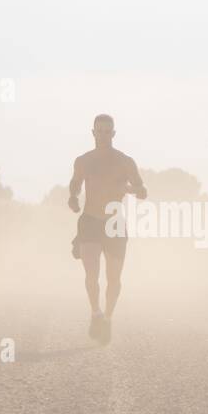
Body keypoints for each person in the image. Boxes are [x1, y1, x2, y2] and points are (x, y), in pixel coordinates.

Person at [68, 114, 147, 344]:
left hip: (114, 223)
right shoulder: (83, 161)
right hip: (90, 221)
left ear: (113, 134)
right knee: (91, 275)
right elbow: (74, 184)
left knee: (113, 278)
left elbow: (142, 190)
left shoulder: (125, 161)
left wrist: (132, 190)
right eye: (99, 131)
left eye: (107, 131)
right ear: (92, 133)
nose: (102, 135)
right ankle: (96, 313)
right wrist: (72, 198)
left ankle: (108, 319)